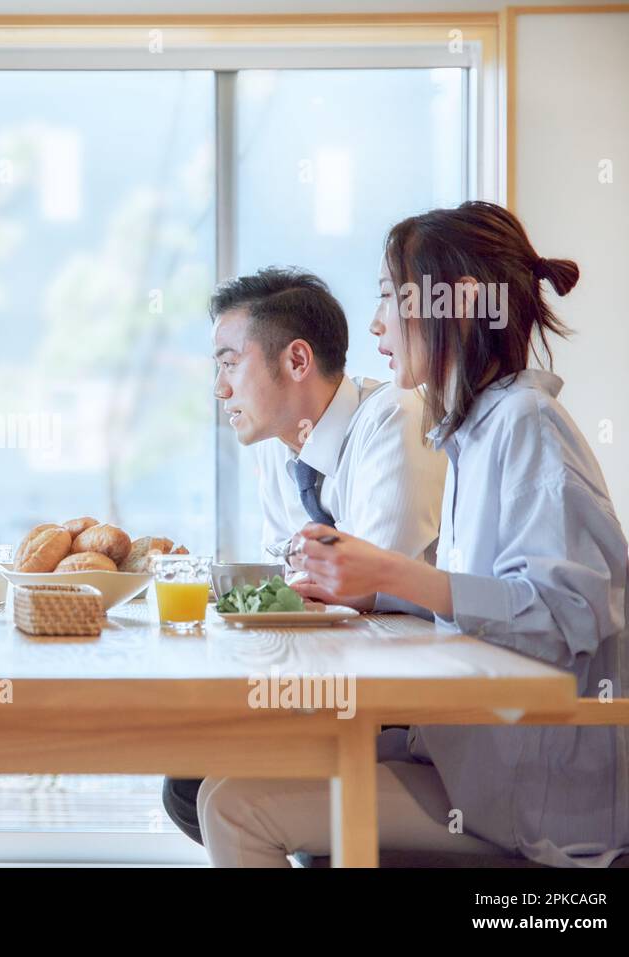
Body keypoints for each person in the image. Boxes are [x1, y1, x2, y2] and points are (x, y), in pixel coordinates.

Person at [199, 202, 629, 867]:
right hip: (473, 763)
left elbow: (568, 612)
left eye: (390, 296)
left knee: (236, 806)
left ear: (460, 302)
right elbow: (485, 600)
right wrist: (372, 590)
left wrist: (386, 575)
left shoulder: (528, 423)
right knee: (215, 789)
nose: (376, 322)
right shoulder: (472, 431)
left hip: (536, 805)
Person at [164, 269, 447, 844]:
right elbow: (297, 580)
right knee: (184, 783)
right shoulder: (280, 446)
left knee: (198, 786)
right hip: (337, 678)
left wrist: (305, 582)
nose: (220, 389)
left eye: (228, 363)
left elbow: (362, 587)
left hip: (411, 702)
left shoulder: (394, 416)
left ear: (296, 361)